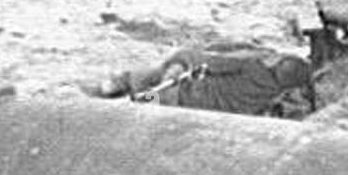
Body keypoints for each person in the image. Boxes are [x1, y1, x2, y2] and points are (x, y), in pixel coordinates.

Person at [97, 44, 313, 119]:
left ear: (274, 63)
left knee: (156, 81)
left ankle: (122, 86)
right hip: (203, 113)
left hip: (181, 94)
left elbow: (209, 61)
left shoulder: (252, 65)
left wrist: (181, 61)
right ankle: (132, 96)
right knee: (158, 89)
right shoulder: (274, 94)